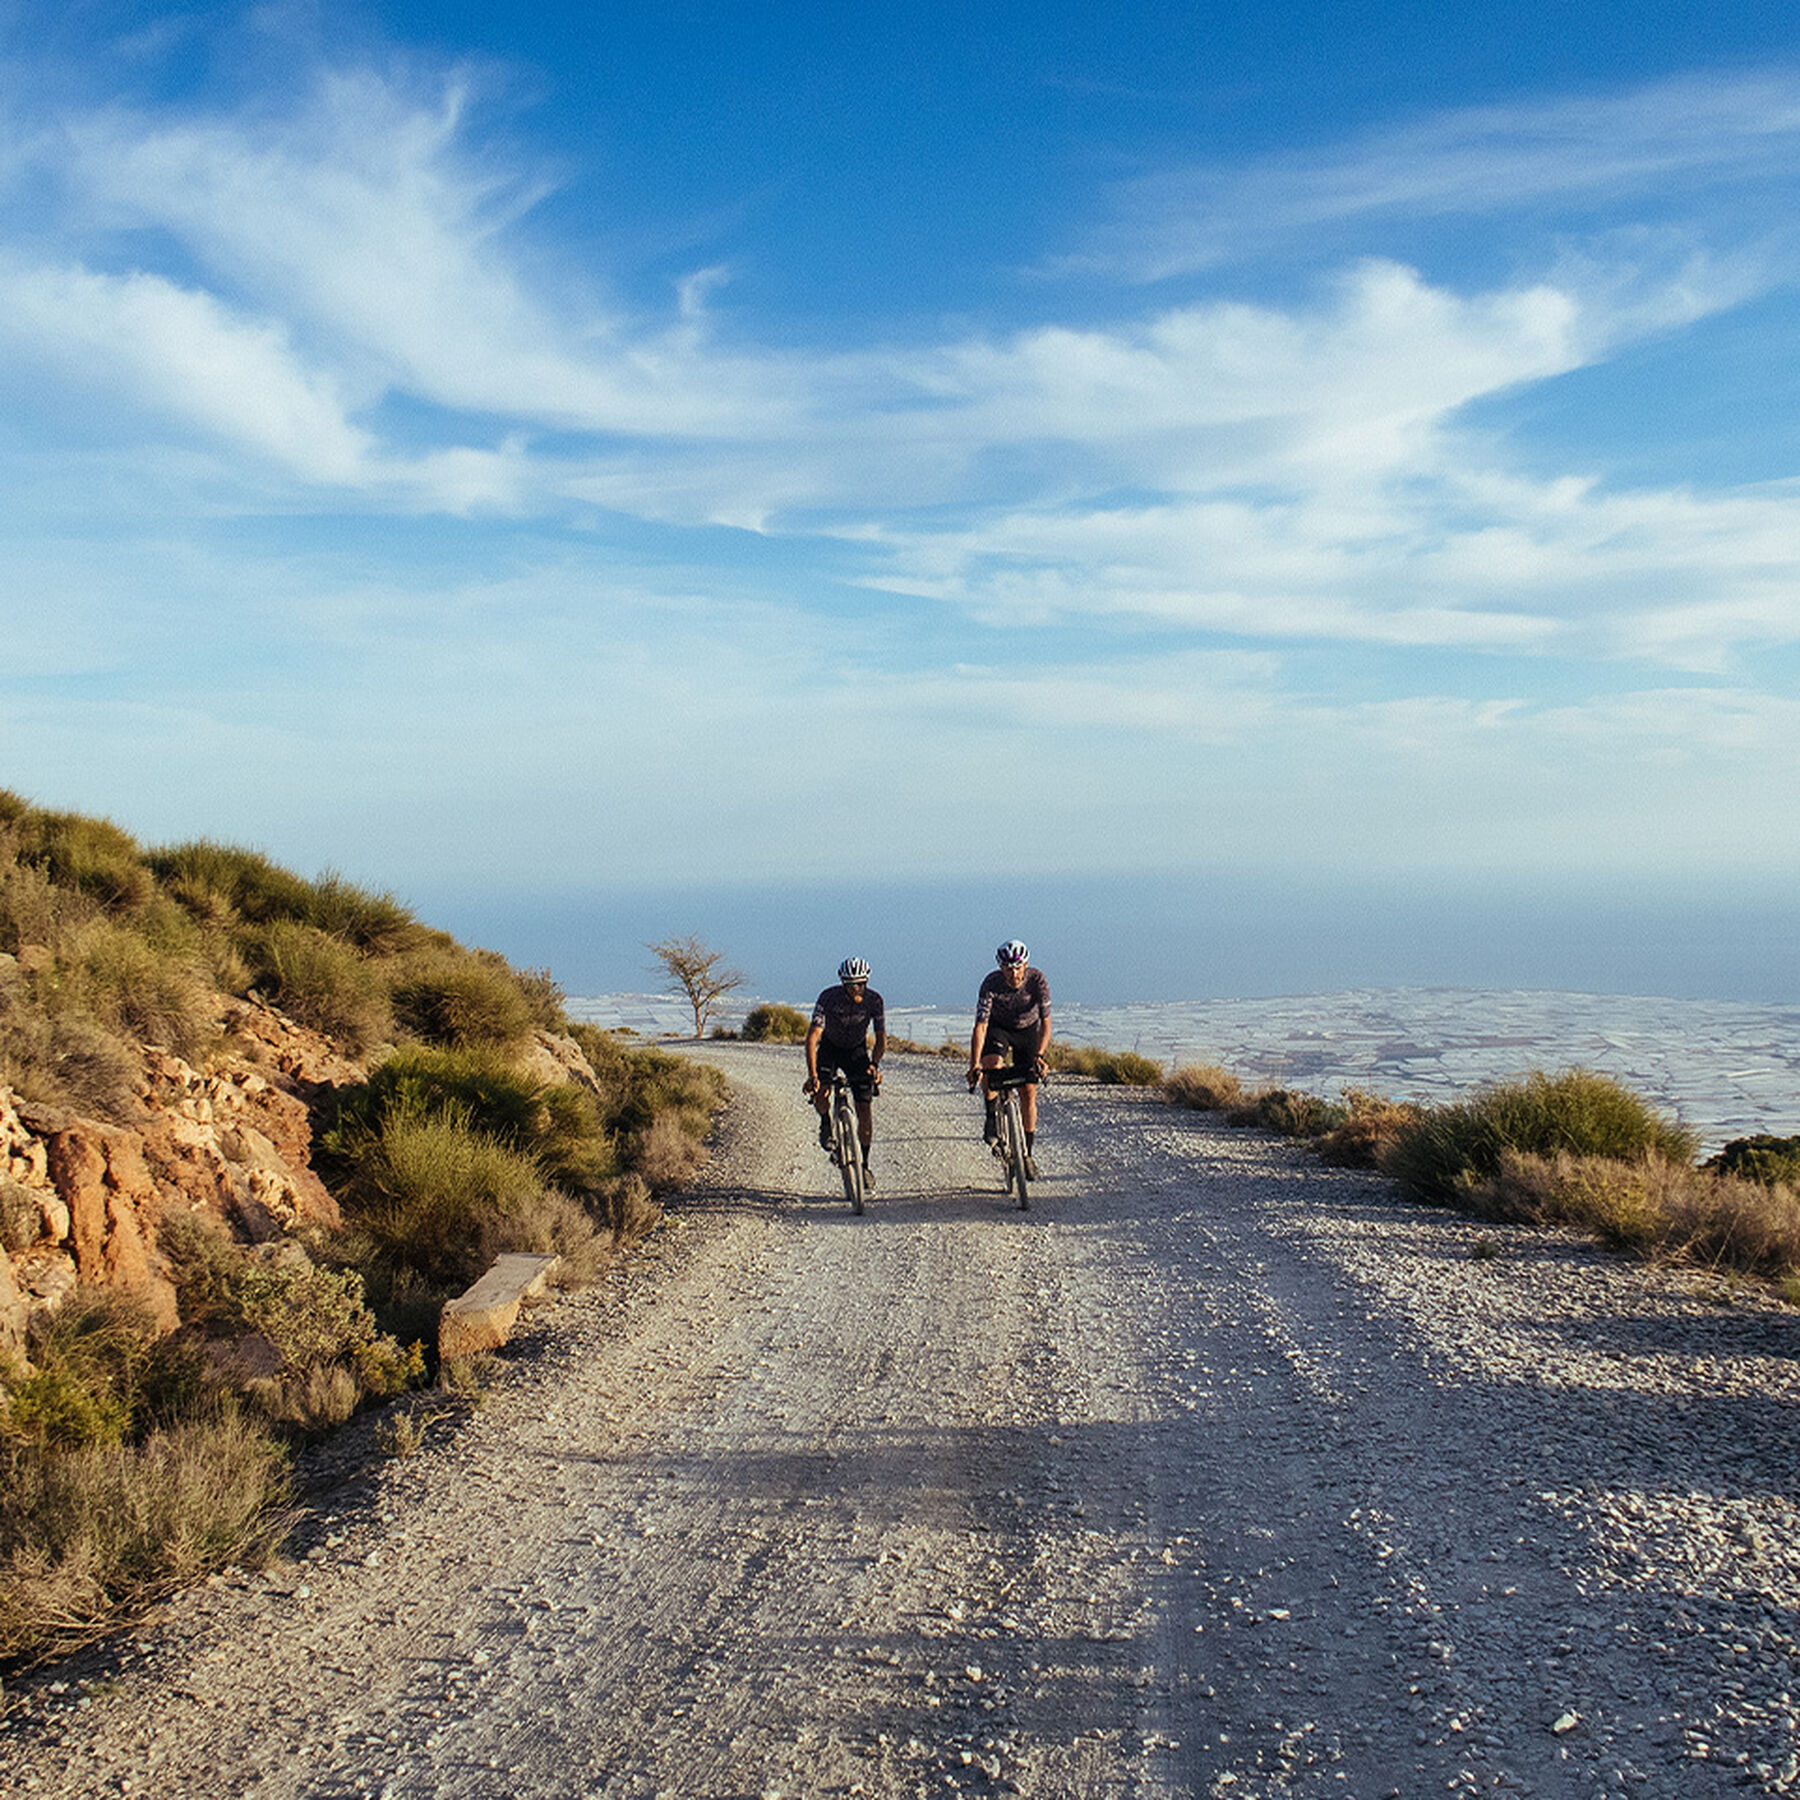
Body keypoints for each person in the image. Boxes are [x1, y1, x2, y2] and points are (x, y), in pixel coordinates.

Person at [968, 939, 1050, 1175]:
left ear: (1025, 965)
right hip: (999, 1028)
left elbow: (1046, 1023)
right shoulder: (991, 983)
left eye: (1017, 967)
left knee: (1028, 1090)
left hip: (1028, 1030)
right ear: (1001, 967)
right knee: (992, 1066)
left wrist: (1040, 1056)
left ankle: (1028, 1154)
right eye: (1007, 968)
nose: (1013, 973)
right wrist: (974, 1064)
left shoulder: (1037, 980)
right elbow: (981, 1026)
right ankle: (991, 1116)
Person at [803, 957, 886, 1188]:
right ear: (843, 983)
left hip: (856, 1052)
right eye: (850, 985)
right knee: (822, 1091)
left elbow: (881, 1039)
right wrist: (812, 1075)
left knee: (865, 1111)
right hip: (829, 1049)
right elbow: (813, 1038)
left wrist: (875, 1065)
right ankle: (826, 1122)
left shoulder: (874, 1000)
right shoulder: (828, 998)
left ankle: (865, 1165)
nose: (855, 989)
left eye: (860, 984)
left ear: (866, 982)